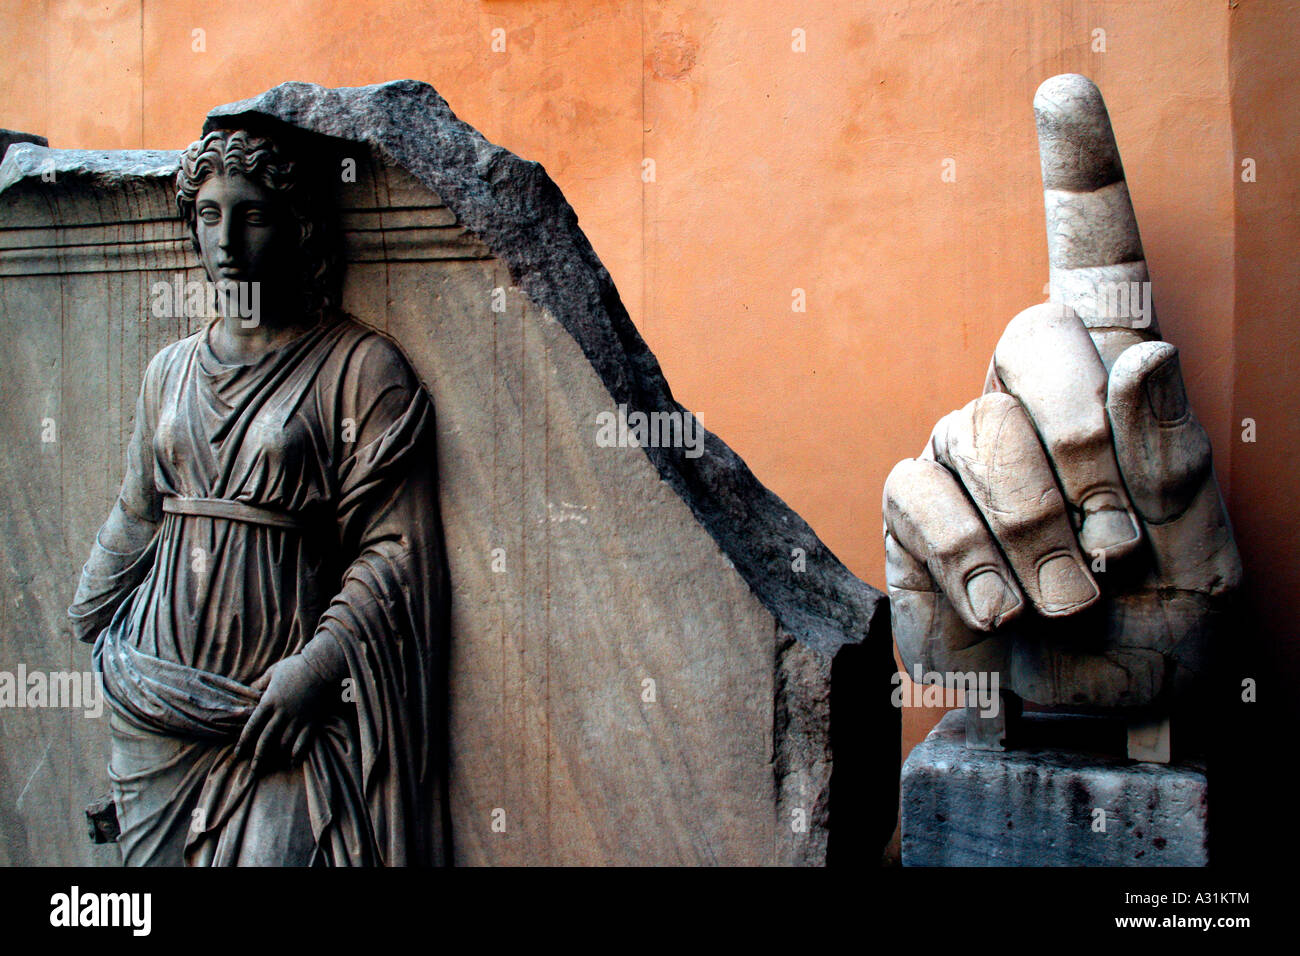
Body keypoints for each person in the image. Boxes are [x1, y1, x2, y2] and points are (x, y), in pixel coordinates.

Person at [68, 128, 451, 866]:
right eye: (208, 215)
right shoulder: (169, 371)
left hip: (275, 708)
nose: (226, 241)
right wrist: (88, 610)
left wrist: (318, 668)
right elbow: (139, 510)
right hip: (156, 694)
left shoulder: (361, 367)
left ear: (299, 226)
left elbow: (394, 553)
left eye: (252, 215)